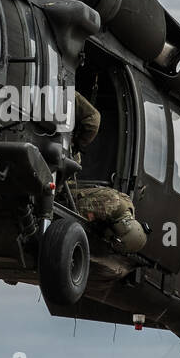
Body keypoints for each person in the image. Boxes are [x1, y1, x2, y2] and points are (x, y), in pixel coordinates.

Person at [70, 89, 147, 253]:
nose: (112, 240)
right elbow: (75, 209)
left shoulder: (126, 206)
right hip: (66, 173)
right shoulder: (111, 206)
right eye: (116, 240)